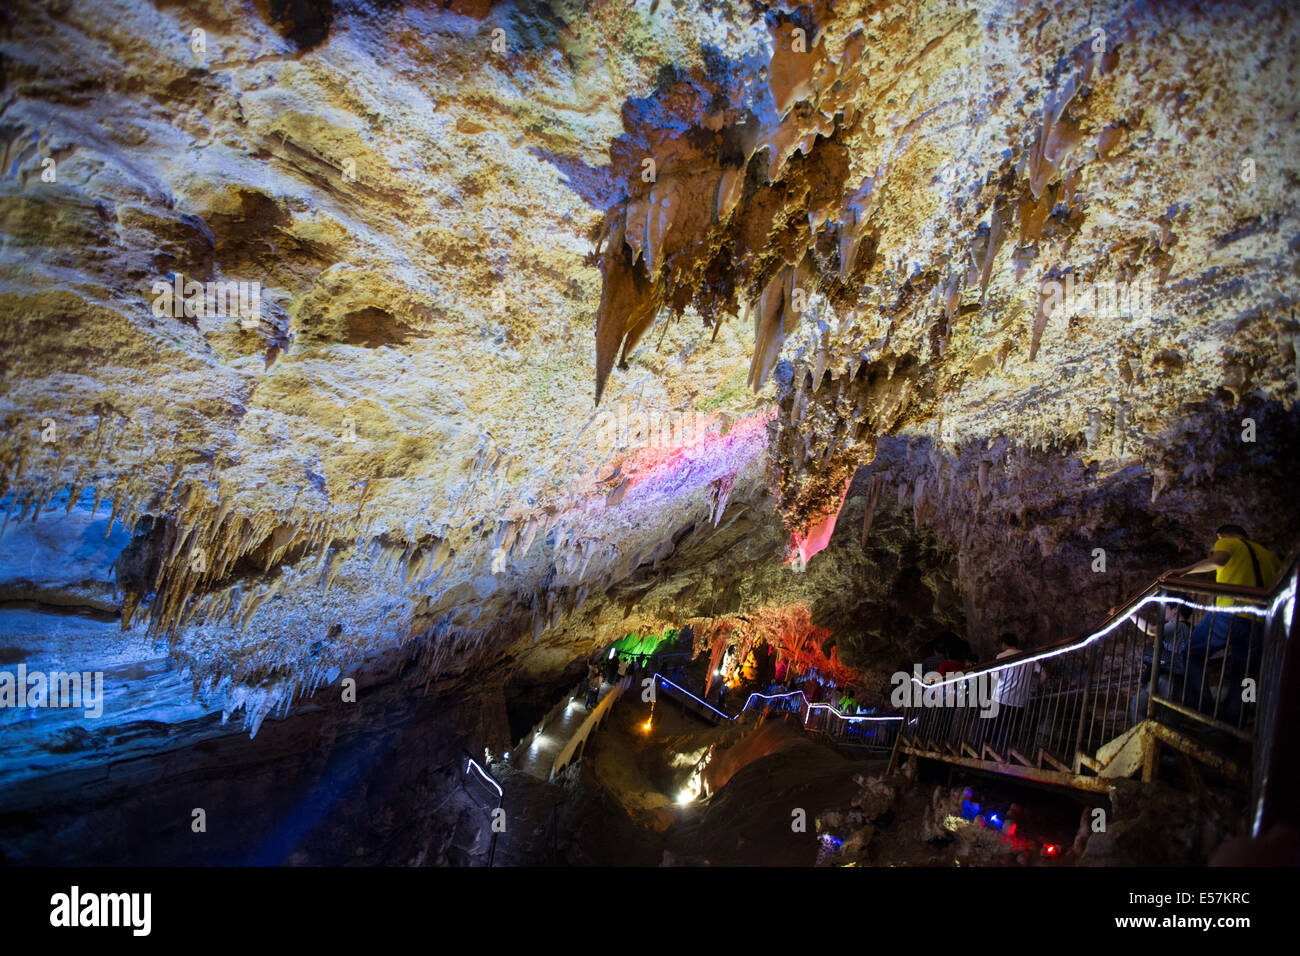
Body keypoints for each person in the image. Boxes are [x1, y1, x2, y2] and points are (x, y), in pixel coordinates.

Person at [1164, 524, 1281, 720]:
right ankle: (1233, 721)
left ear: (1220, 536)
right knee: (1244, 672)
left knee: (1190, 652)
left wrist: (1182, 572)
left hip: (1230, 612)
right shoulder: (1270, 556)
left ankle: (1203, 708)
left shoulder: (1227, 543)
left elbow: (1218, 561)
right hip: (1260, 622)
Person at [984, 633, 1041, 756]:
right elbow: (1044, 674)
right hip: (1020, 701)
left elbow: (995, 676)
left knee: (993, 728)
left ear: (1004, 644)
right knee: (1010, 730)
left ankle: (987, 753)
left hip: (1002, 699)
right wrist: (1033, 687)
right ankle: (1004, 755)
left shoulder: (1002, 656)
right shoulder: (1029, 657)